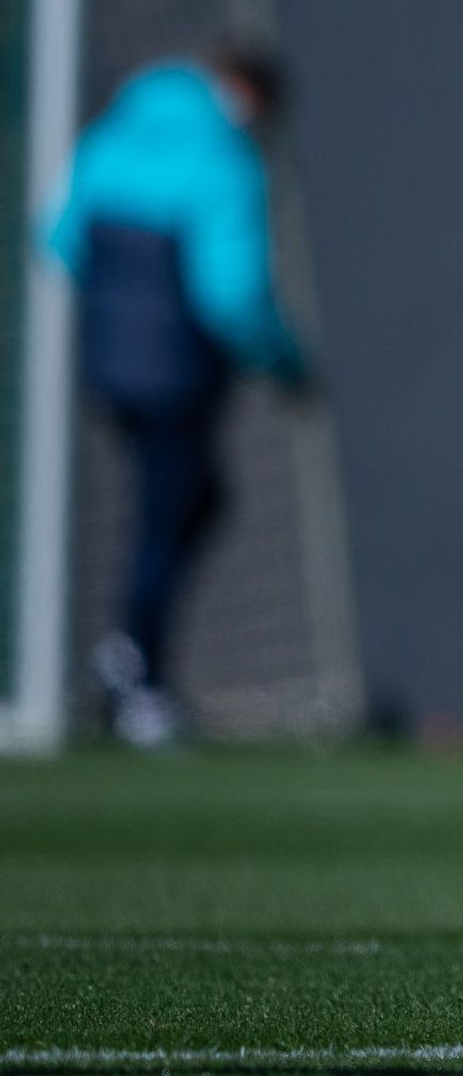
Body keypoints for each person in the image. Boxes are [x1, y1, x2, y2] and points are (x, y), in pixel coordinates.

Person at [49, 47, 308, 747]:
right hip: (177, 370)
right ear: (254, 97)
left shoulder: (117, 130)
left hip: (109, 363)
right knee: (171, 514)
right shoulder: (224, 158)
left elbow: (60, 234)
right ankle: (138, 676)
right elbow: (232, 294)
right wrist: (286, 364)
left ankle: (127, 657)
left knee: (181, 505)